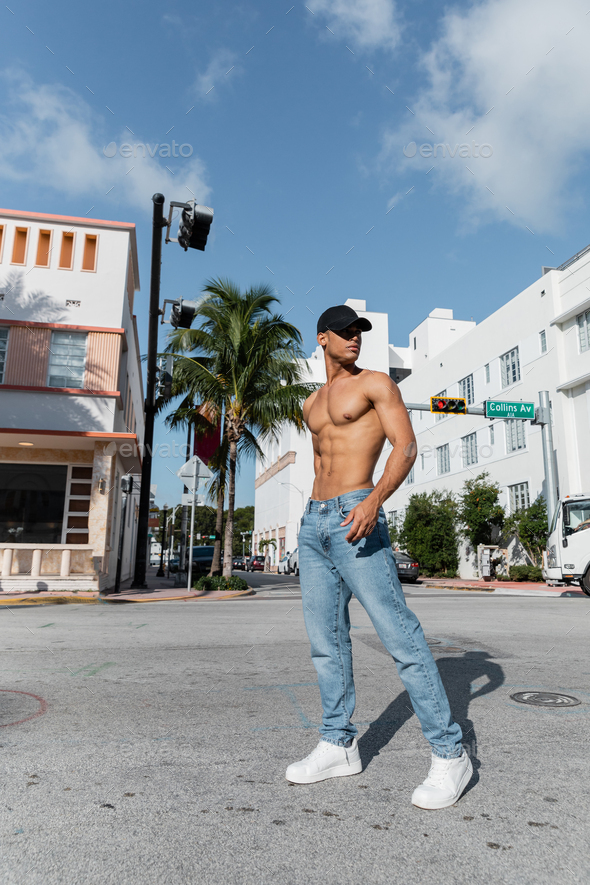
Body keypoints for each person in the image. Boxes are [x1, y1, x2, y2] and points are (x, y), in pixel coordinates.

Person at [285, 304, 472, 810]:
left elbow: (405, 447)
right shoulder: (309, 404)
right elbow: (322, 462)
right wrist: (313, 518)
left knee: (400, 636)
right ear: (322, 339)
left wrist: (372, 501)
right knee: (326, 642)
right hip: (315, 521)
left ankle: (450, 753)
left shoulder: (375, 384)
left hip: (358, 512)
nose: (354, 337)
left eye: (358, 331)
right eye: (344, 331)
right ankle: (338, 744)